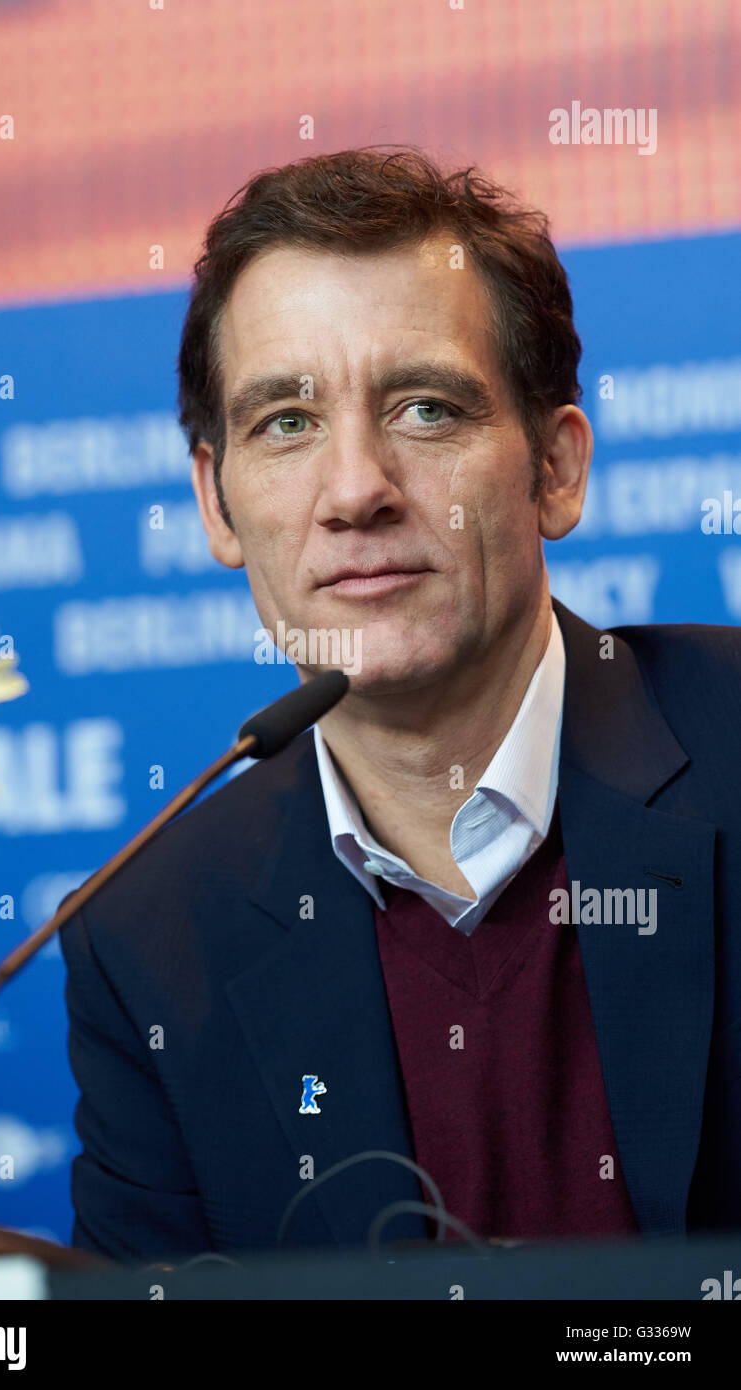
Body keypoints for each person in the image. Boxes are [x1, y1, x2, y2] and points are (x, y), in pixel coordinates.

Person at [59, 147, 741, 1262]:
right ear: (215, 503)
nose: (354, 489)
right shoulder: (148, 944)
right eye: (285, 420)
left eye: (425, 409)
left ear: (555, 470)